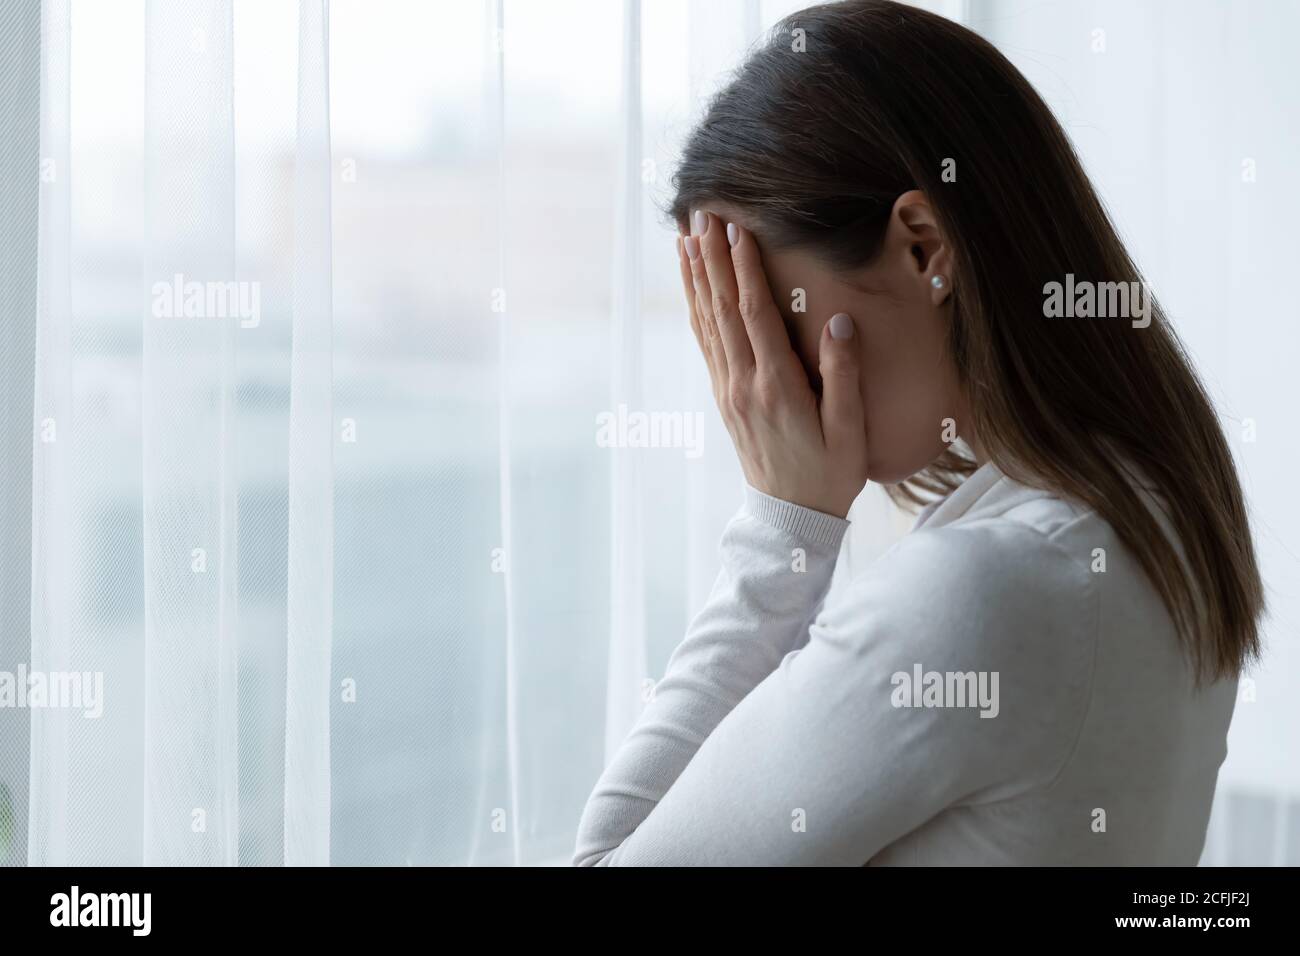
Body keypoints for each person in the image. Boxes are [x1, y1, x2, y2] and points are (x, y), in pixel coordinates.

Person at [573, 0, 1262, 865]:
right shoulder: (1157, 505)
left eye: (773, 328)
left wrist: (783, 531)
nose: (761, 389)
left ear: (924, 246)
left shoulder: (978, 593)